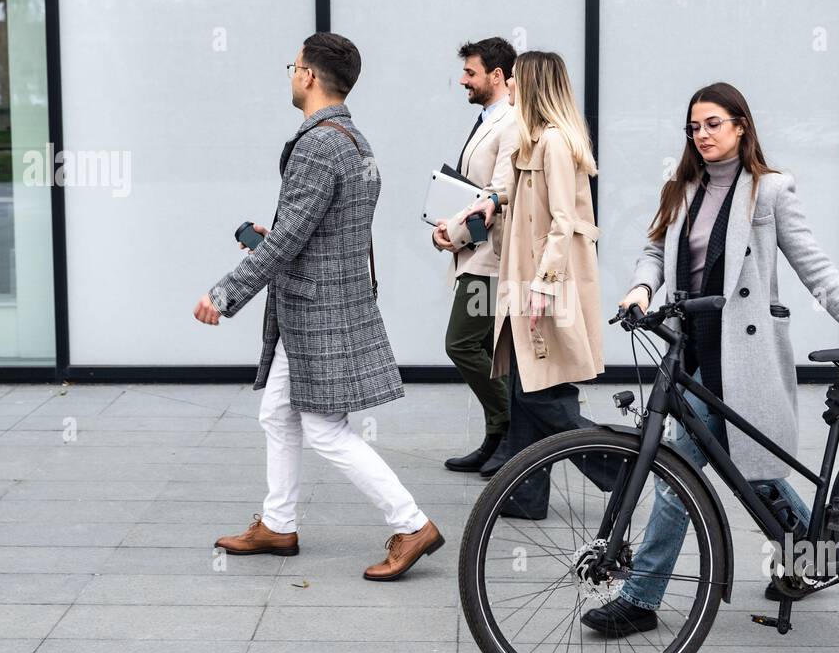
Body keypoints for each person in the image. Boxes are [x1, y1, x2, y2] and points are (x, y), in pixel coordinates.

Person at [582, 81, 839, 637]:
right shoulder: (681, 187)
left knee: (679, 473)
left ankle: (641, 597)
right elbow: (655, 250)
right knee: (747, 470)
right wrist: (641, 288)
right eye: (694, 126)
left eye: (713, 123)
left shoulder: (771, 190)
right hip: (691, 351)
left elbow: (816, 269)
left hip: (745, 353)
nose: (702, 134)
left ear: (740, 126)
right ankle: (817, 558)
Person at [194, 31, 443, 582]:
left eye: (294, 65)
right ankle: (278, 524)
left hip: (316, 312)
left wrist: (224, 294)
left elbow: (287, 245)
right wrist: (276, 232)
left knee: (326, 429)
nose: (291, 74)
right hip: (325, 304)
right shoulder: (354, 141)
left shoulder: (318, 144)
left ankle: (411, 523)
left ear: (309, 75)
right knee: (277, 414)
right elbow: (316, 228)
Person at [457, 50, 606, 517]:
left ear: (535, 85)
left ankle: (622, 471)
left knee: (544, 394)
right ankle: (526, 495)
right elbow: (525, 200)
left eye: (519, 80)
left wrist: (543, 285)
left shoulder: (556, 143)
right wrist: (493, 200)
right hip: (525, 283)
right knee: (525, 386)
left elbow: (564, 221)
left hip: (545, 286)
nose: (513, 87)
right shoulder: (536, 140)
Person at [432, 38, 519, 473]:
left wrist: (454, 231)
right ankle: (498, 438)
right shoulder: (488, 120)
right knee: (487, 347)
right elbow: (472, 193)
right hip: (475, 253)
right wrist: (447, 230)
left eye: (471, 73)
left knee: (462, 342)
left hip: (492, 260)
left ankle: (515, 427)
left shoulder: (511, 124)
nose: (463, 80)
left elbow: (496, 197)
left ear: (497, 75)